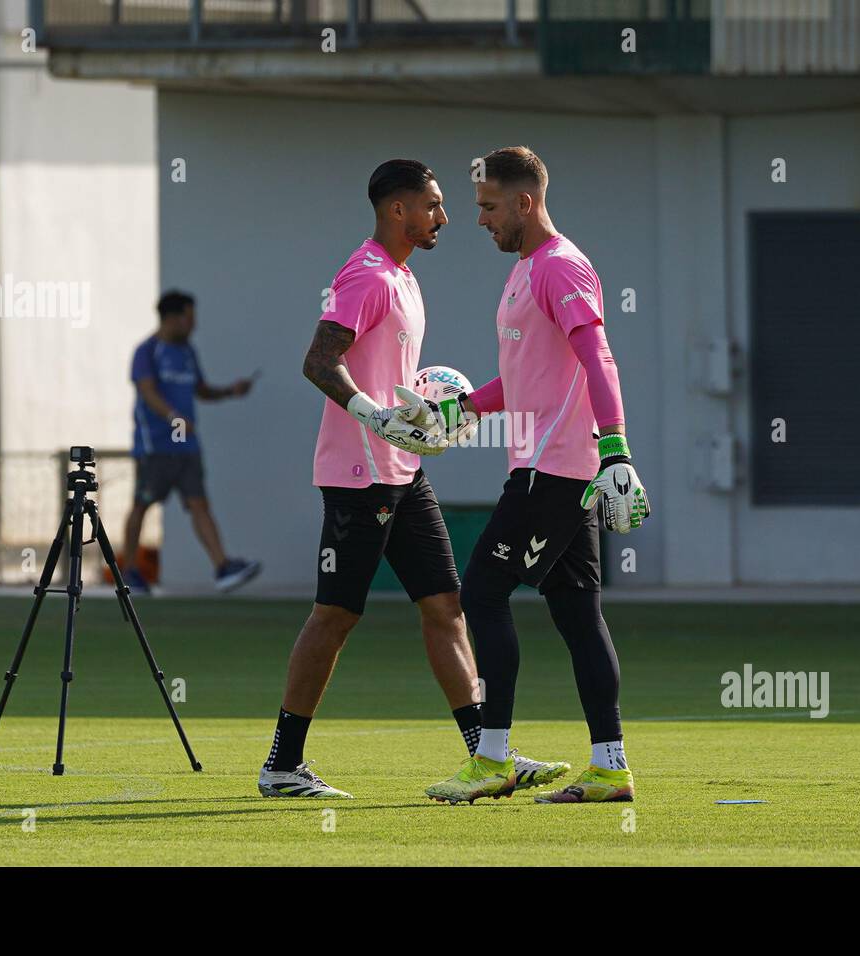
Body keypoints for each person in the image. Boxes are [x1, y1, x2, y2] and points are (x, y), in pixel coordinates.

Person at [256, 159, 568, 799]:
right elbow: (318, 361)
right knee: (336, 615)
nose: (446, 218)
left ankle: (489, 755)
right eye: (432, 205)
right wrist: (376, 418)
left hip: (403, 472)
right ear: (397, 209)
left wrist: (427, 421)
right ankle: (282, 765)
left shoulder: (404, 278)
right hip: (358, 477)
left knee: (446, 608)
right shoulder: (366, 275)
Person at [424, 147, 651, 804]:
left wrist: (617, 450)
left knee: (482, 595)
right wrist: (464, 406)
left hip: (552, 471)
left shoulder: (561, 267)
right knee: (578, 613)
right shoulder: (527, 271)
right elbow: (527, 378)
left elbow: (598, 357)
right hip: (549, 465)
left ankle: (493, 757)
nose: (479, 219)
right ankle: (610, 767)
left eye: (489, 206)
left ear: (525, 202)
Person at [123, 290, 261, 594]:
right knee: (142, 504)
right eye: (189, 318)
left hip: (186, 447)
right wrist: (174, 417)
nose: (193, 325)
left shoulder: (187, 352)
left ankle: (223, 567)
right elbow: (147, 392)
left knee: (199, 504)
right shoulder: (147, 351)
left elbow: (201, 390)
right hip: (155, 447)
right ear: (171, 318)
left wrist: (230, 391)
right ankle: (129, 571)